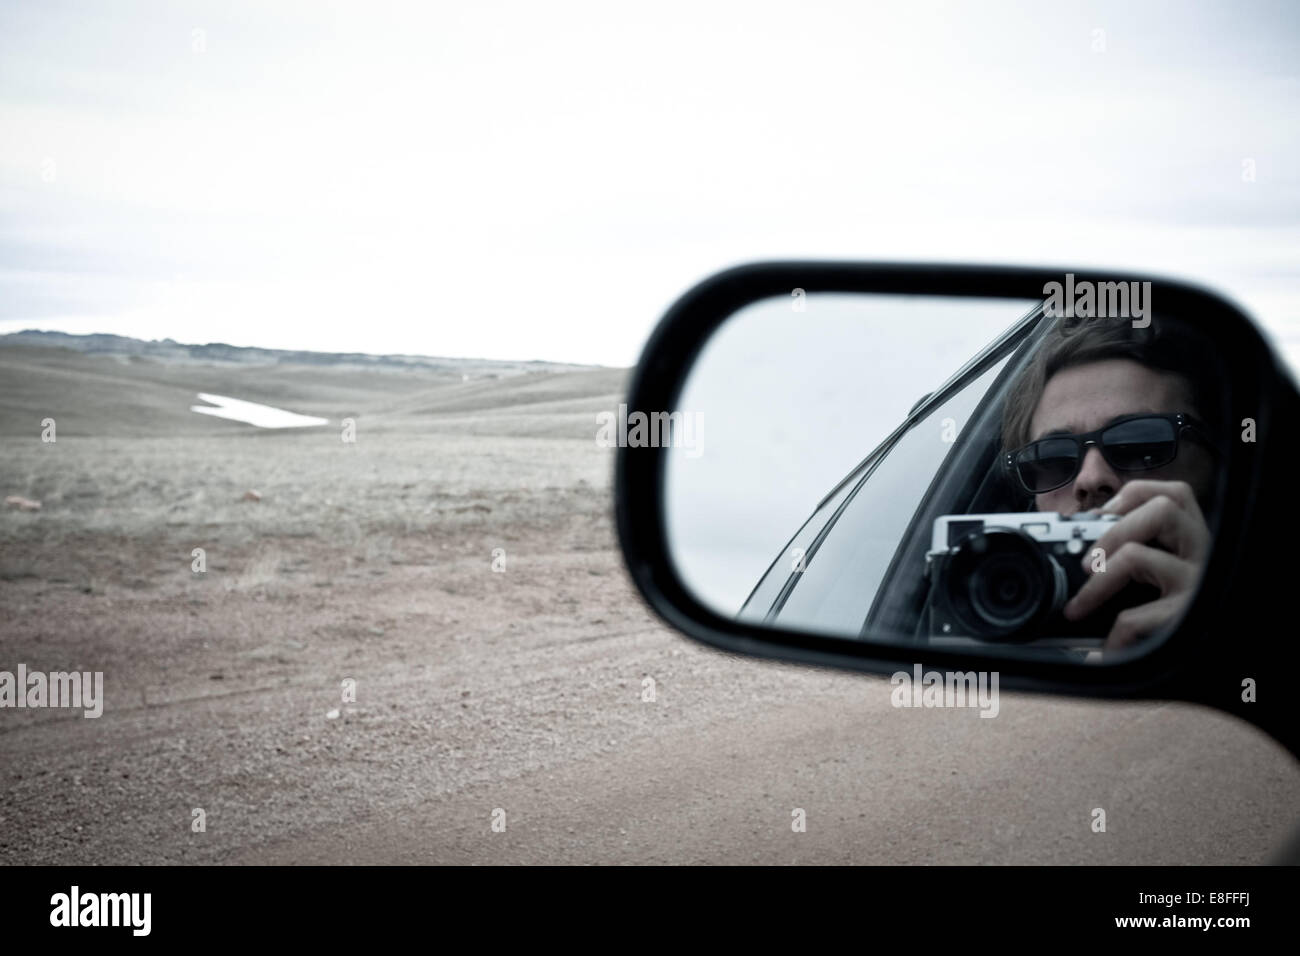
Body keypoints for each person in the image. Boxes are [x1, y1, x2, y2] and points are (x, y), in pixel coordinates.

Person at [999, 313, 1225, 650]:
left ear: (1218, 468)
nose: (1091, 479)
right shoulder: (1000, 624)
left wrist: (1219, 622)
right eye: (1053, 459)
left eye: (1140, 444)